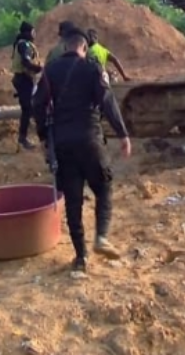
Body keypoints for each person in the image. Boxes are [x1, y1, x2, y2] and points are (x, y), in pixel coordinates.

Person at [33, 27, 132, 272]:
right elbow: (107, 102)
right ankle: (100, 237)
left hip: (62, 144)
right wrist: (123, 134)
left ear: (65, 46)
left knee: (73, 201)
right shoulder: (92, 68)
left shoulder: (50, 71)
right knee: (104, 186)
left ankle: (81, 257)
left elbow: (37, 105)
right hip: (90, 139)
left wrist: (44, 137)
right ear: (84, 47)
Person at [10, 22, 43, 149]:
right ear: (27, 33)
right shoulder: (24, 45)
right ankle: (23, 138)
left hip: (23, 79)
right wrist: (39, 69)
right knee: (28, 109)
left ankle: (26, 136)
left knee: (29, 108)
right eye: (33, 32)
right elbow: (26, 62)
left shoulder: (22, 44)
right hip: (24, 79)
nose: (34, 35)